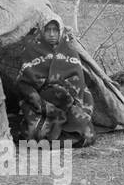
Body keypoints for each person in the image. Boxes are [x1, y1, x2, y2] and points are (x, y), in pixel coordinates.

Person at [13, 17, 95, 146]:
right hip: (41, 105)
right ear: (41, 31)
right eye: (48, 30)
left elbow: (79, 81)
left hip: (69, 104)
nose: (52, 34)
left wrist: (67, 96)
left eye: (55, 30)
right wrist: (44, 105)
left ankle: (57, 139)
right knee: (34, 134)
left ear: (60, 31)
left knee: (86, 135)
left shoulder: (70, 50)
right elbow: (24, 84)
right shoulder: (31, 51)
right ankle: (52, 136)